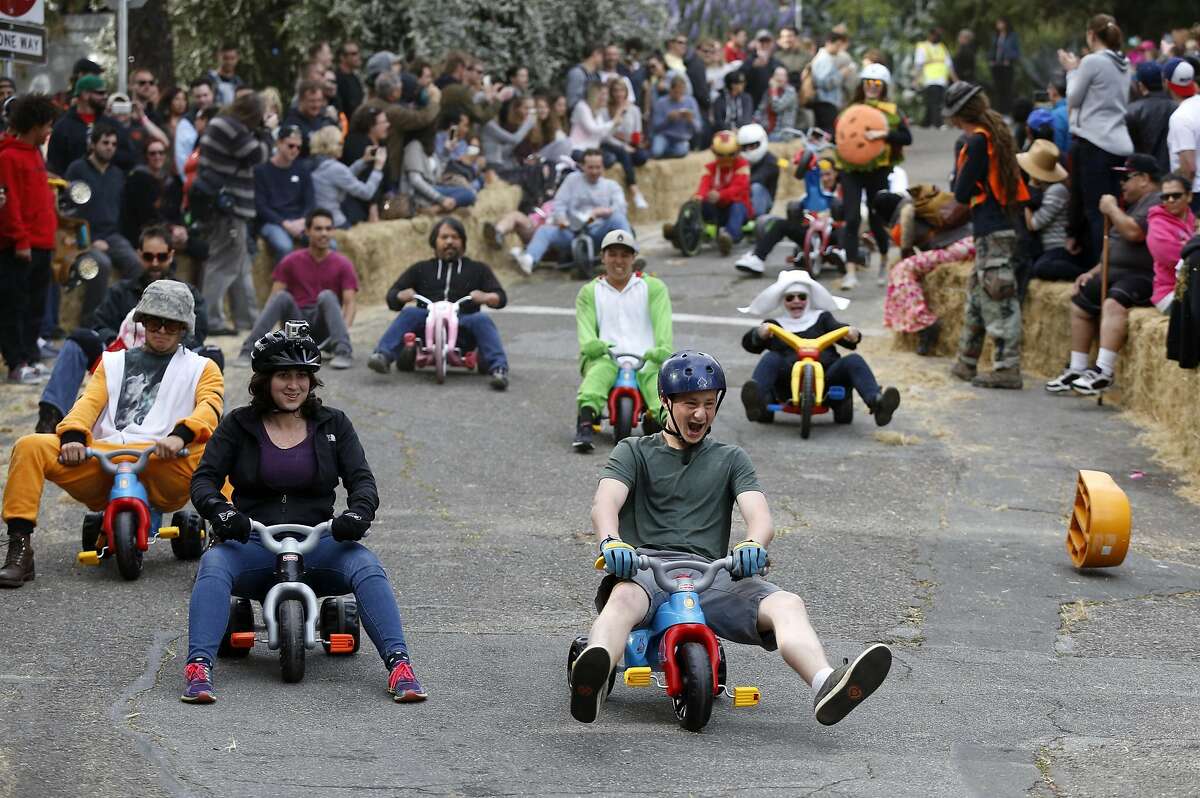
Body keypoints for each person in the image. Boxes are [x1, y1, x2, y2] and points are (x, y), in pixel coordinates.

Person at [568, 349, 892, 726]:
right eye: (690, 403)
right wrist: (611, 541)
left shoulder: (730, 458)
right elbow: (605, 502)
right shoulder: (634, 450)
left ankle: (826, 684)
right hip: (646, 570)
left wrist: (754, 544)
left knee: (787, 603)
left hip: (710, 574)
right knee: (623, 597)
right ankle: (595, 674)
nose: (700, 415)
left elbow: (760, 516)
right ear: (665, 402)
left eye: (709, 404)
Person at [182, 324, 425, 704]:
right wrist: (222, 513)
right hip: (253, 539)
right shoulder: (238, 425)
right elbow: (204, 482)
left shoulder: (334, 424)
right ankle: (198, 669)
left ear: (312, 381)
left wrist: (357, 516)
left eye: (301, 376)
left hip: (318, 540)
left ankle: (400, 667)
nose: (293, 385)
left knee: (366, 566)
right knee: (213, 566)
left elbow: (363, 482)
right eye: (283, 375)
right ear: (264, 381)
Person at [0, 281, 222, 589]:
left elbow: (210, 408)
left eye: (170, 324)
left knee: (226, 453)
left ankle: (221, 551)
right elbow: (88, 403)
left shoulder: (203, 368)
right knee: (29, 446)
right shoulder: (112, 362)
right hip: (105, 459)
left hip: (165, 460)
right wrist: (73, 435)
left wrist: (180, 436)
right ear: (141, 321)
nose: (160, 329)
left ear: (184, 327)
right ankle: (19, 549)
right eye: (154, 321)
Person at [36, 225, 211, 432]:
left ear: (171, 255)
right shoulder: (121, 291)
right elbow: (99, 324)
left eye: (161, 256)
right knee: (79, 339)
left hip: (171, 358)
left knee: (211, 356)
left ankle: (205, 431)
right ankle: (51, 415)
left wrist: (165, 343)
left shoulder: (188, 294)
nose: (154, 263)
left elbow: (197, 333)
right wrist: (121, 345)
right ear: (139, 255)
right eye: (148, 256)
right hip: (119, 356)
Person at [1044, 154, 1161, 396]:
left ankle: (1103, 371)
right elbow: (1115, 246)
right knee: (1080, 303)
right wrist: (1093, 271)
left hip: (1142, 275)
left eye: (1126, 178)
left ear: (1144, 179)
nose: (1122, 184)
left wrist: (1112, 209)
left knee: (1113, 302)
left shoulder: (1156, 202)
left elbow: (1134, 233)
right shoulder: (1134, 204)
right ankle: (1077, 368)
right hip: (1116, 272)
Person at [944, 83, 1029, 389]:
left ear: (958, 115)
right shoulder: (995, 133)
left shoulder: (978, 142)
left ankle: (1007, 368)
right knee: (979, 295)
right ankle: (967, 361)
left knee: (999, 297)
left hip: (993, 227)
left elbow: (962, 192)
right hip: (996, 225)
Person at [738, 270, 900, 426]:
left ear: (808, 300)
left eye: (801, 297)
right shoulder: (775, 325)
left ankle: (878, 403)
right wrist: (758, 334)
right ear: (783, 301)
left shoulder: (822, 319)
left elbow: (841, 331)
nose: (796, 301)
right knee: (770, 358)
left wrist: (852, 334)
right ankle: (755, 401)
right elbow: (749, 344)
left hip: (827, 376)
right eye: (789, 298)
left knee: (853, 361)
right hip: (786, 380)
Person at [368, 217, 510, 389]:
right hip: (427, 323)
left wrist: (487, 297)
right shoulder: (420, 269)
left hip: (463, 323)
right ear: (434, 242)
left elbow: (500, 297)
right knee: (409, 313)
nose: (449, 241)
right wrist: (401, 296)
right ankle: (382, 355)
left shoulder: (478, 269)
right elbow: (392, 296)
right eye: (444, 237)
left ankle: (499, 369)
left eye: (455, 237)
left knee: (482, 319)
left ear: (463, 243)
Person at [573, 230, 671, 452]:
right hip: (606, 355)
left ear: (634, 258)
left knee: (660, 394)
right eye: (613, 254)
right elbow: (586, 330)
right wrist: (592, 346)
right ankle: (586, 422)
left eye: (625, 255)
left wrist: (662, 350)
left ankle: (670, 429)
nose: (619, 261)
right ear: (603, 257)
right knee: (595, 380)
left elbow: (663, 324)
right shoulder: (590, 291)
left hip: (647, 357)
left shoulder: (653, 287)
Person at [235, 209, 356, 369]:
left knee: (327, 296)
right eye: (318, 229)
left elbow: (350, 304)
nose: (324, 233)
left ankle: (343, 352)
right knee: (281, 297)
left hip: (325, 328)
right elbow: (273, 299)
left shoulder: (343, 263)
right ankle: (248, 350)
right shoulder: (290, 261)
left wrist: (342, 331)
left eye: (328, 229)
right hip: (297, 329)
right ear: (307, 231)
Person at [1058, 15, 1133, 267]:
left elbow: (1073, 99)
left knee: (1096, 211)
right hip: (1119, 143)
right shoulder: (1125, 62)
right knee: (1116, 209)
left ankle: (1100, 271)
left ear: (1091, 35)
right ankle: (1119, 265)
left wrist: (1071, 72)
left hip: (1095, 142)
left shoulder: (1091, 61)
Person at [197, 92, 269, 336]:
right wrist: (266, 133)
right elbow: (258, 155)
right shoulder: (231, 128)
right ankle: (210, 321)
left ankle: (246, 320)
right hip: (229, 206)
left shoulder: (224, 123)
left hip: (230, 205)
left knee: (239, 265)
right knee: (223, 264)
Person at [834, 64, 912, 290]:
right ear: (862, 84)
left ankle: (885, 260)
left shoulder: (893, 111)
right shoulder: (851, 108)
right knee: (852, 218)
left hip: (878, 169)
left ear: (884, 87)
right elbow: (838, 135)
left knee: (877, 220)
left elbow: (907, 138)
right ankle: (850, 272)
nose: (872, 88)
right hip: (850, 169)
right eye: (868, 83)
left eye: (877, 84)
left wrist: (885, 134)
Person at [0, 94, 58, 385]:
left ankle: (30, 359)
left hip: (42, 243)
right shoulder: (8, 157)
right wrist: (20, 239)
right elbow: (10, 205)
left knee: (35, 306)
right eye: (47, 125)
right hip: (21, 248)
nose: (49, 131)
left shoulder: (36, 153)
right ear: (34, 125)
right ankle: (16, 362)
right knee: (15, 307)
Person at [878, 188, 973, 354]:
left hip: (957, 247)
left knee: (902, 270)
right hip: (969, 241)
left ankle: (924, 322)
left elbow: (907, 241)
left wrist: (904, 252)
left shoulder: (905, 212)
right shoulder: (917, 203)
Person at [513, 149, 631, 275]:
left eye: (598, 167)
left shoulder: (611, 186)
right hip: (573, 231)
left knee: (618, 218)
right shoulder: (572, 180)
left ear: (603, 167)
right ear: (582, 166)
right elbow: (559, 203)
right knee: (544, 231)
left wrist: (604, 211)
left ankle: (631, 255)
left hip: (598, 231)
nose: (594, 171)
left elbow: (621, 207)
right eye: (590, 167)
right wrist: (561, 219)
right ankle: (529, 259)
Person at [65, 125, 144, 314]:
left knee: (138, 265)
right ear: (92, 144)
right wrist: (90, 242)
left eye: (114, 144)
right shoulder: (77, 169)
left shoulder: (117, 174)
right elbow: (67, 212)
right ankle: (91, 323)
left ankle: (126, 318)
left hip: (112, 235)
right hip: (81, 236)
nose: (110, 147)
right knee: (101, 264)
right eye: (105, 143)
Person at [735, 151, 843, 277]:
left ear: (836, 173)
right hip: (812, 236)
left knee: (845, 226)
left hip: (833, 236)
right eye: (822, 175)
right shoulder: (810, 196)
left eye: (828, 174)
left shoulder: (843, 193)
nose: (825, 178)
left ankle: (841, 252)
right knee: (781, 224)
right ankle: (757, 258)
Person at [667, 130, 751, 257]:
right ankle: (678, 231)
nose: (725, 158)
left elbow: (738, 188)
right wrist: (699, 196)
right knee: (696, 204)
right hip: (716, 209)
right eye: (721, 155)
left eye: (730, 154)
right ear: (714, 152)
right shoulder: (710, 167)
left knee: (737, 206)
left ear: (737, 152)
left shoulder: (742, 166)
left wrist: (720, 195)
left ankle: (728, 237)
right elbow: (704, 184)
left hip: (737, 208)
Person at [1018, 140, 1082, 283]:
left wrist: (1026, 200)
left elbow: (1033, 224)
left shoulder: (1057, 191)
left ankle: (1082, 274)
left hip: (1058, 248)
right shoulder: (1047, 189)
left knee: (1040, 268)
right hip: (1048, 248)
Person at [46, 75, 135, 175]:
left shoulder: (112, 125)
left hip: (108, 185)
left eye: (106, 93)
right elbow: (54, 165)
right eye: (100, 93)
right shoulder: (63, 127)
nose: (105, 97)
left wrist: (105, 152)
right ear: (85, 94)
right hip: (74, 186)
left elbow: (129, 158)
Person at [254, 126, 315, 262]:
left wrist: (303, 220)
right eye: (291, 146)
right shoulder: (261, 171)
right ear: (279, 143)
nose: (295, 150)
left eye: (298, 147)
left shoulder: (302, 169)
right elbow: (261, 206)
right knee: (285, 246)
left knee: (329, 243)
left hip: (299, 220)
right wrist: (285, 224)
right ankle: (282, 282)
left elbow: (310, 200)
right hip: (273, 221)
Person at [309, 126, 385, 228]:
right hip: (334, 222)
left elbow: (343, 176)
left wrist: (363, 161)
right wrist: (378, 169)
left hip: (317, 220)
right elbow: (367, 193)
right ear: (330, 145)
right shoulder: (334, 168)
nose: (342, 146)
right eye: (339, 143)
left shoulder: (316, 163)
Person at [1147, 173, 1195, 314]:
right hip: (1171, 293)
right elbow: (1172, 257)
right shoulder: (1157, 224)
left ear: (1189, 196)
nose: (1171, 200)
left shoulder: (1194, 220)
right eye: (1165, 197)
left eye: (1176, 195)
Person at [599, 78, 649, 210]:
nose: (618, 94)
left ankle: (625, 162)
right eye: (615, 91)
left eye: (621, 90)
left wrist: (632, 141)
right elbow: (605, 136)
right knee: (624, 153)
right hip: (611, 144)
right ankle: (635, 191)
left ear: (626, 92)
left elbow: (637, 132)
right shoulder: (605, 111)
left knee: (641, 157)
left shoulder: (634, 110)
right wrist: (619, 114)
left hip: (628, 143)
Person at [1126, 61, 1174, 175]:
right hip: (1172, 174)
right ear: (1163, 82)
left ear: (1141, 85)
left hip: (1144, 175)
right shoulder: (1178, 107)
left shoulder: (1132, 111)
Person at [1165, 58, 1200, 213]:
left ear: (1167, 83)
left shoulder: (1180, 117)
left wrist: (1183, 199)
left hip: (1195, 193)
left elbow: (1189, 167)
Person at [482, 96, 536, 182]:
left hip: (510, 165)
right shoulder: (489, 124)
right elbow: (514, 140)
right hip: (496, 167)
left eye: (532, 108)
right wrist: (528, 124)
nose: (530, 112)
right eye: (526, 108)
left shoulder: (493, 123)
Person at [650, 75, 702, 159]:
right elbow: (655, 127)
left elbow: (698, 128)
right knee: (656, 151)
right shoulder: (661, 103)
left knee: (682, 151)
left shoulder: (691, 101)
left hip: (681, 138)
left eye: (681, 92)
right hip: (664, 136)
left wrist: (691, 120)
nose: (678, 95)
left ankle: (666, 154)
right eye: (676, 92)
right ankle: (663, 153)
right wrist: (668, 120)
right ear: (670, 90)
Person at [810, 33, 851, 133]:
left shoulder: (825, 58)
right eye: (837, 45)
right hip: (825, 103)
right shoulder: (824, 59)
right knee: (827, 133)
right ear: (828, 43)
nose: (839, 49)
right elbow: (824, 83)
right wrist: (841, 74)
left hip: (827, 103)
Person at [173, 79, 216, 176]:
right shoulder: (186, 123)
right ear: (192, 97)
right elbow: (182, 158)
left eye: (205, 95)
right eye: (198, 96)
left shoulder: (223, 116)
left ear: (212, 94)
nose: (202, 100)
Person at [914, 28, 955, 128]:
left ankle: (925, 123)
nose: (937, 37)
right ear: (930, 35)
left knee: (932, 102)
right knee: (936, 101)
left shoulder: (942, 47)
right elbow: (918, 65)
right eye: (935, 35)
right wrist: (915, 79)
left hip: (941, 79)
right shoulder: (922, 47)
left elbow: (949, 65)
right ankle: (938, 123)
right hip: (929, 79)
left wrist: (955, 80)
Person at [737, 122, 778, 218]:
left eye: (752, 146)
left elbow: (758, 179)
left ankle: (755, 218)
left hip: (763, 201)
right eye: (745, 147)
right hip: (743, 200)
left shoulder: (771, 161)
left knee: (756, 187)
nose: (748, 150)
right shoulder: (739, 161)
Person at [753, 66, 799, 141]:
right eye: (777, 75)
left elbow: (777, 108)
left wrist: (774, 91)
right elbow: (760, 109)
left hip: (782, 133)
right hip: (766, 130)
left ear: (786, 78)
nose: (779, 78)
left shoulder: (791, 92)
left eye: (782, 75)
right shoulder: (769, 91)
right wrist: (754, 122)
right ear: (773, 77)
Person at [989, 18, 1019, 116]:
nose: (998, 25)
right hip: (996, 66)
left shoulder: (1012, 36)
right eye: (997, 23)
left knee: (1007, 89)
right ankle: (999, 111)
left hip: (1007, 66)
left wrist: (1009, 59)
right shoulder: (995, 36)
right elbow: (992, 49)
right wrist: (991, 60)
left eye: (1000, 23)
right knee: (998, 89)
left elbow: (1016, 51)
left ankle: (1007, 112)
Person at [566, 44, 604, 113]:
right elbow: (572, 102)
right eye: (602, 56)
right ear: (595, 54)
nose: (603, 60)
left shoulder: (597, 75)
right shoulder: (577, 73)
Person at [335, 41, 365, 116]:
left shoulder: (355, 78)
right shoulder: (336, 79)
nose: (358, 56)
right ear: (342, 57)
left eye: (358, 53)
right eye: (354, 54)